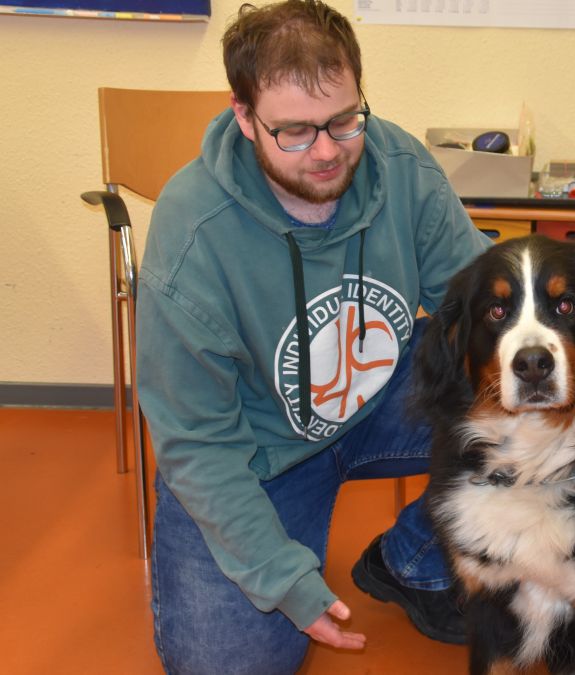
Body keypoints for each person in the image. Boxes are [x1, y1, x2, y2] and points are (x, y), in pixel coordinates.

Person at [135, 1, 491, 672]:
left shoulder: (400, 167)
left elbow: (479, 306)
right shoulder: (192, 235)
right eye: (294, 131)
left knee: (548, 393)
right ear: (244, 117)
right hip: (257, 452)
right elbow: (197, 443)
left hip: (381, 400)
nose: (327, 150)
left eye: (343, 120)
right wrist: (284, 580)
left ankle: (412, 555)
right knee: (229, 664)